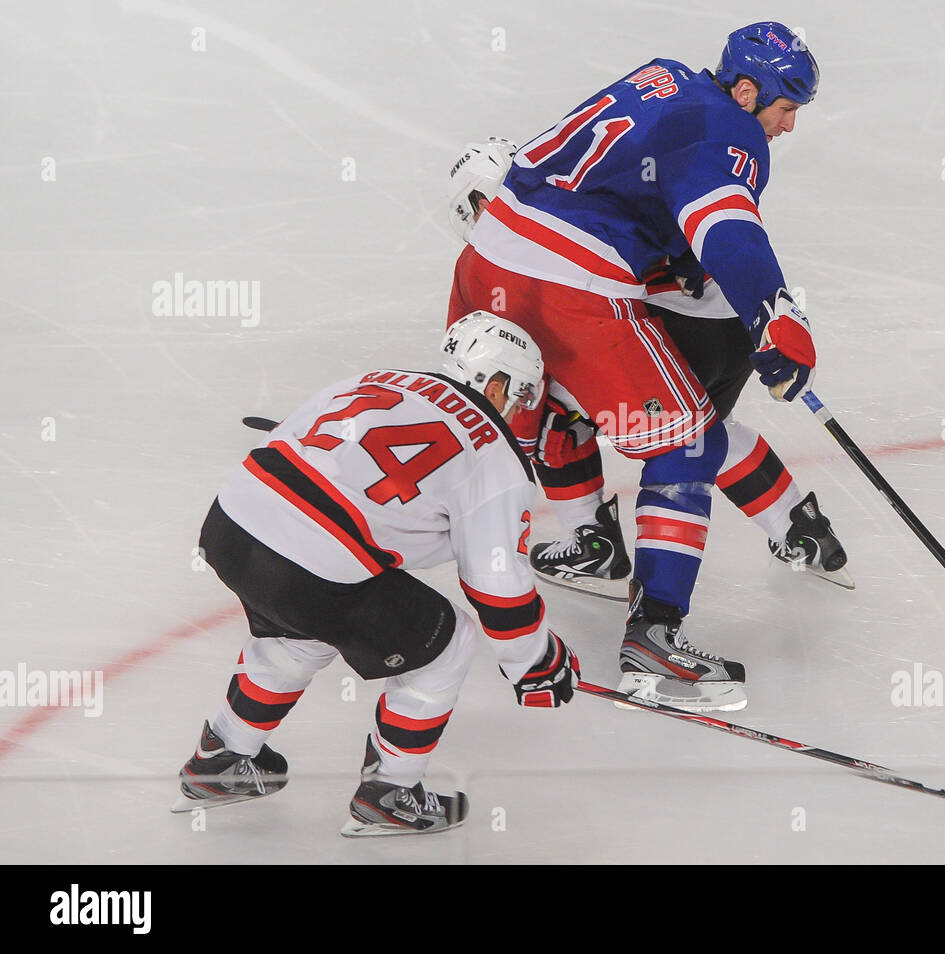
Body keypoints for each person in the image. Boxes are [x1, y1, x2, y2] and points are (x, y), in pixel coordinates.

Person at [446, 22, 825, 711]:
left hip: (486, 259)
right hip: (570, 287)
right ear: (747, 91)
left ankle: (585, 539)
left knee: (540, 405)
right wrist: (775, 315)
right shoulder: (730, 132)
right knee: (691, 438)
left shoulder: (662, 75)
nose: (788, 125)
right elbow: (727, 229)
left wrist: (659, 244)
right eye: (784, 107)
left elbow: (612, 170)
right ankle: (654, 639)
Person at [175, 313, 579, 837]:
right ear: (495, 381)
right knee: (448, 641)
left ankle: (224, 756)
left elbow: (289, 432)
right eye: (519, 395)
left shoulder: (379, 379)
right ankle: (392, 792)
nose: (518, 410)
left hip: (231, 523)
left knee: (303, 631)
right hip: (312, 562)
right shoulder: (495, 457)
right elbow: (496, 584)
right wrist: (535, 661)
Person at [448, 141, 852, 594]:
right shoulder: (586, 181)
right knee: (705, 427)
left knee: (552, 417)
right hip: (736, 324)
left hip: (677, 329)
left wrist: (514, 447)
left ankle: (592, 543)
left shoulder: (493, 257)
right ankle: (800, 528)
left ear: (482, 202)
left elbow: (498, 372)